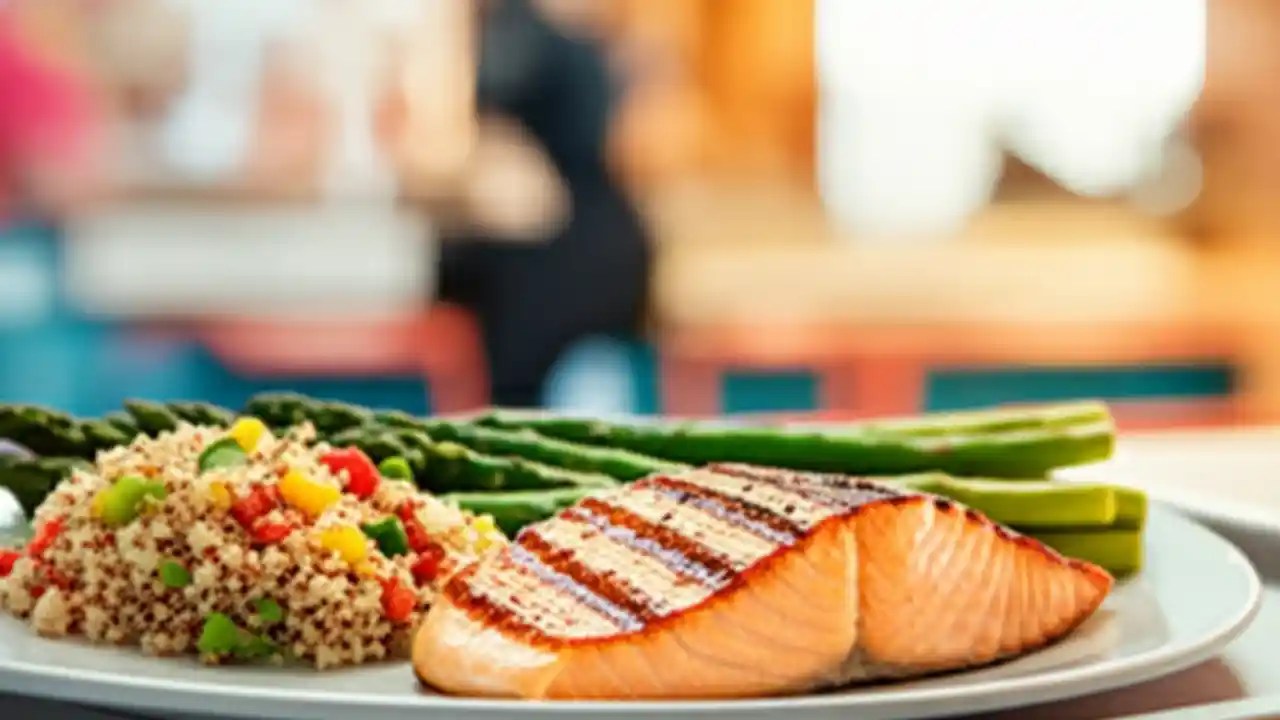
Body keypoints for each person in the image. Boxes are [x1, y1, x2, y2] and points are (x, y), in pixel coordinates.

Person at [437, 0, 651, 408]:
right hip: (608, 256)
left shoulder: (520, 35)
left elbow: (521, 198)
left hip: (561, 264)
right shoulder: (567, 35)